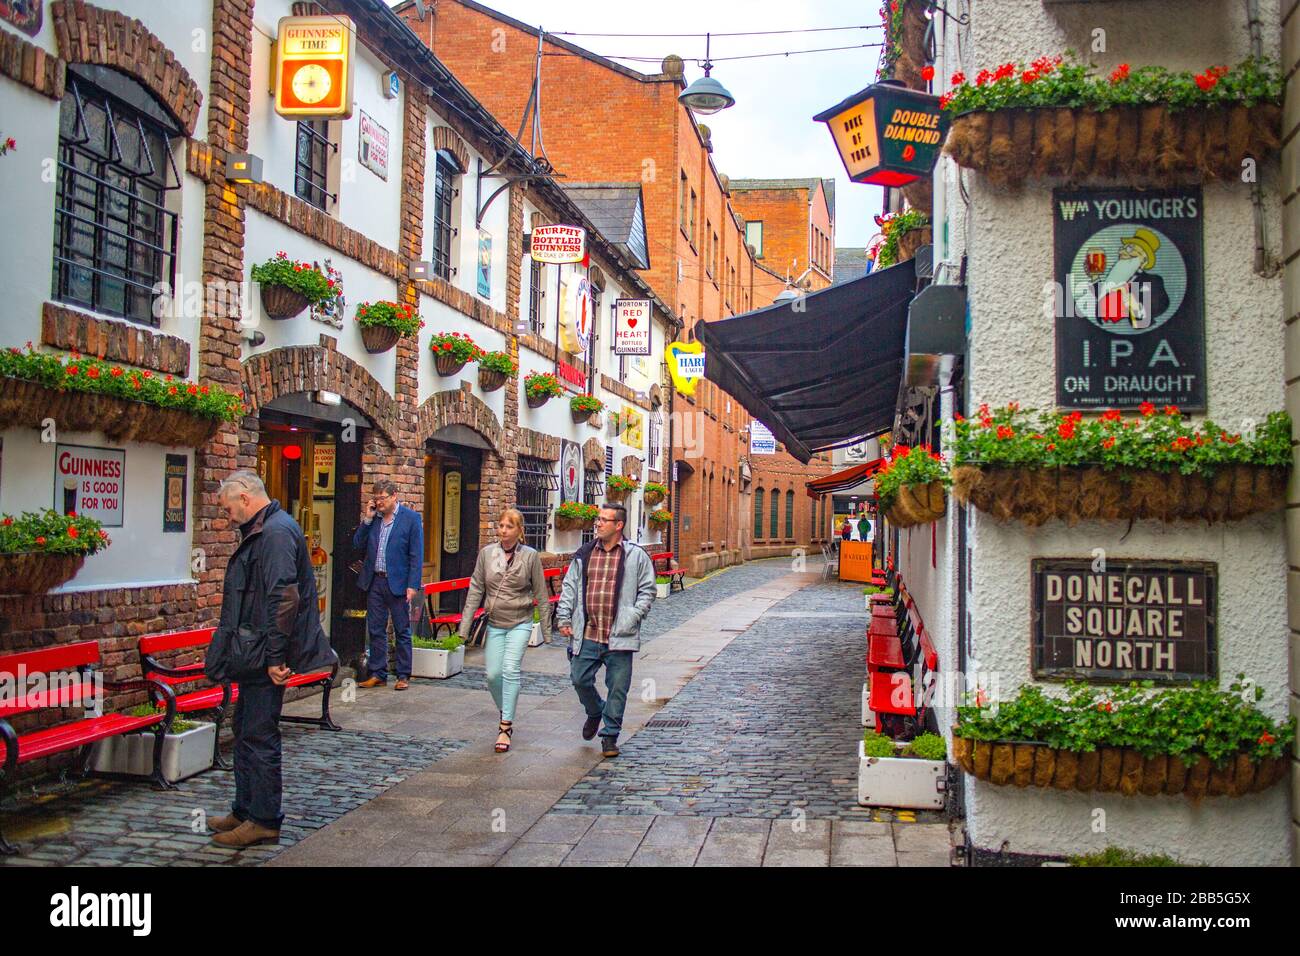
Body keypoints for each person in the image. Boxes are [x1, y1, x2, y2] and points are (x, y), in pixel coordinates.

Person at [208, 470, 337, 848]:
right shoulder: (265, 529)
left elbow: (283, 598)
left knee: (259, 733)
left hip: (265, 654)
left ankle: (264, 819)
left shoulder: (277, 532)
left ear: (245, 497)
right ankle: (245, 809)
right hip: (253, 652)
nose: (227, 516)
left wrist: (275, 657)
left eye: (228, 507)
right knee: (245, 726)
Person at [556, 502, 656, 759]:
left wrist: (632, 617)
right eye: (597, 519)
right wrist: (564, 617)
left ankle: (610, 735)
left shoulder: (635, 556)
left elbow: (648, 590)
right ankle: (594, 710)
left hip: (619, 634)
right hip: (588, 631)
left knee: (618, 687)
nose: (597, 523)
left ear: (618, 525)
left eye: (603, 520)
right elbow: (570, 587)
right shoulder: (585, 553)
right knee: (579, 679)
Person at [458, 509, 552, 753]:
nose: (503, 530)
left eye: (509, 527)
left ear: (519, 530)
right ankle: (505, 707)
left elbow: (541, 593)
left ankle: (505, 726)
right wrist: (464, 629)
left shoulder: (530, 556)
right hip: (495, 622)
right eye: (500, 526)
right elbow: (476, 589)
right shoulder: (487, 554)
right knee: (492, 675)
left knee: (510, 670)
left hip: (520, 621)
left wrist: (547, 629)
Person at [353, 479, 424, 691]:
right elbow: (357, 544)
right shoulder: (374, 519)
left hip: (399, 583)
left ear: (394, 496)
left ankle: (403, 675)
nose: (379, 503)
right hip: (375, 580)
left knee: (402, 629)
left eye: (382, 498)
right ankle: (378, 673)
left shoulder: (410, 519)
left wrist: (413, 585)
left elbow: (416, 555)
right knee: (375, 628)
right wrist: (367, 519)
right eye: (376, 499)